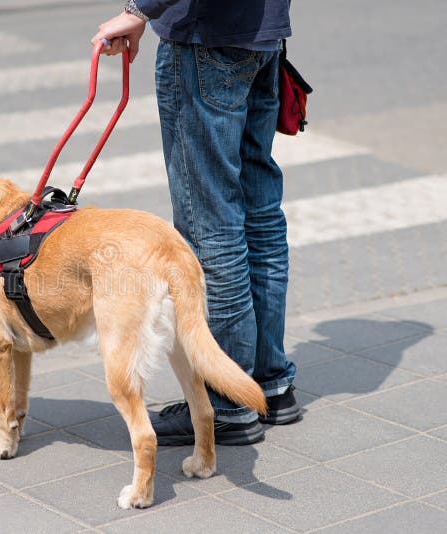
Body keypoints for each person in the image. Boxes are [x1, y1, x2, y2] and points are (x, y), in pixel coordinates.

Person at [93, 0, 300, 446]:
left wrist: (140, 9)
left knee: (212, 227)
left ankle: (227, 404)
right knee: (259, 218)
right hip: (263, 38)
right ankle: (269, 384)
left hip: (206, 39)